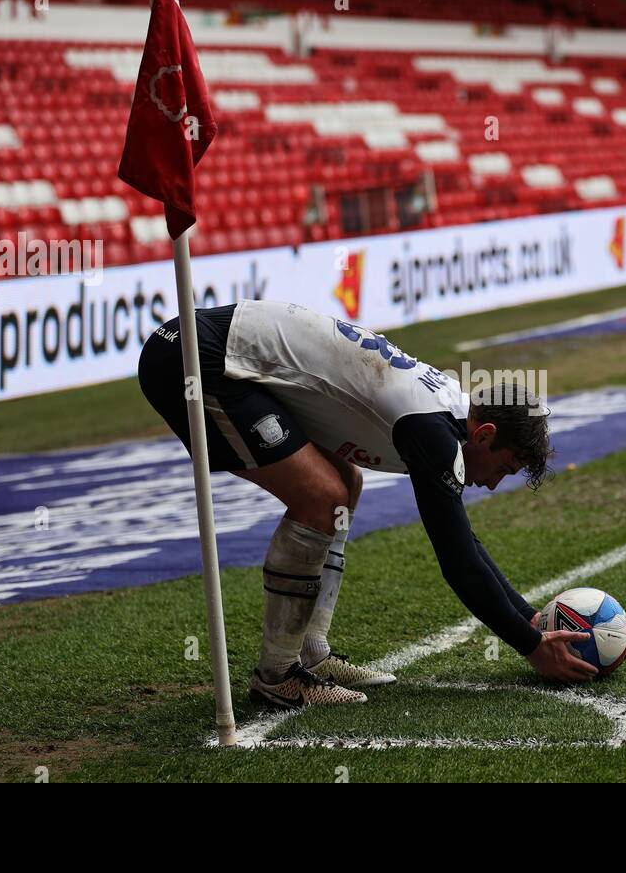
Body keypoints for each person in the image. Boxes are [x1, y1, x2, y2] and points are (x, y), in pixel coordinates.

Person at [137, 301, 598, 709]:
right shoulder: (434, 435)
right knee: (322, 497)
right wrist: (531, 644)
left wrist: (528, 617)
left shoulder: (452, 416)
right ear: (485, 435)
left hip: (220, 350)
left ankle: (311, 652)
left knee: (344, 484)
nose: (494, 485)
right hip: (197, 358)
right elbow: (458, 561)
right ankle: (277, 675)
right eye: (504, 468)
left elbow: (465, 541)